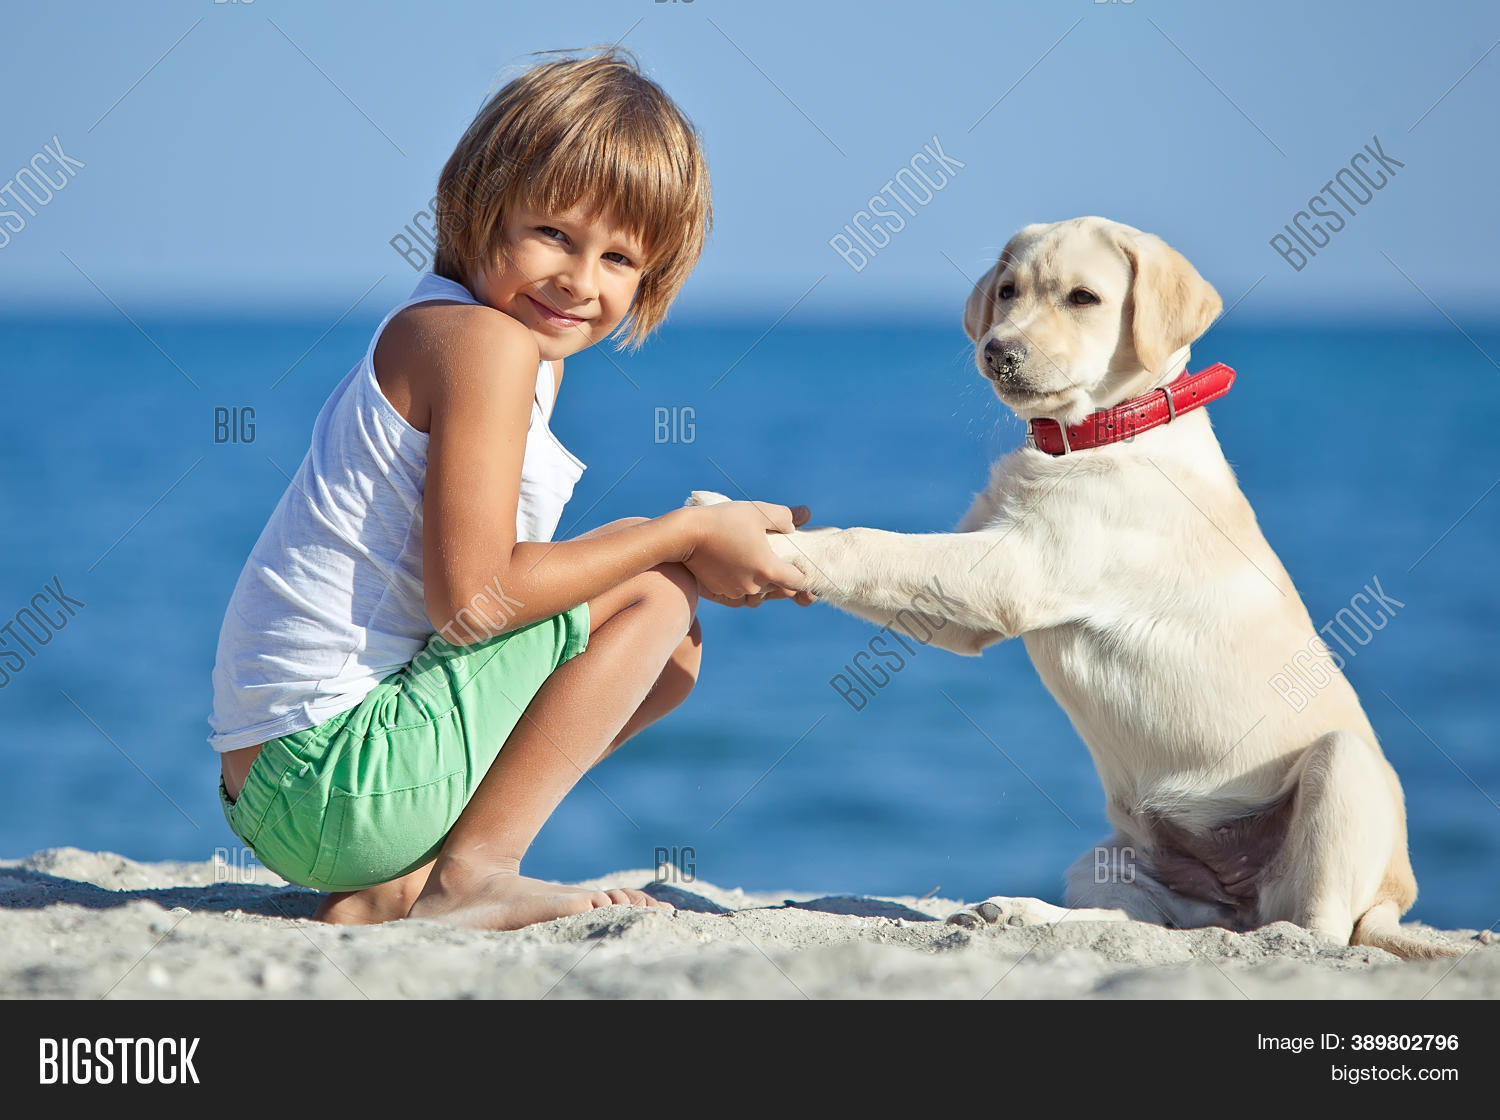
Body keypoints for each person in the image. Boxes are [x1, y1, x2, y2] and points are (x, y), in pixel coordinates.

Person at [207, 48, 810, 931]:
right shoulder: (486, 346)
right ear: (480, 206)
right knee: (655, 590)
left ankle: (402, 879)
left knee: (670, 660)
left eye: (619, 259)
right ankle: (476, 871)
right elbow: (477, 601)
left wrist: (692, 536)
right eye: (555, 236)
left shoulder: (476, 338)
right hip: (329, 771)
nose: (580, 280)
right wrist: (679, 534)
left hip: (278, 784)